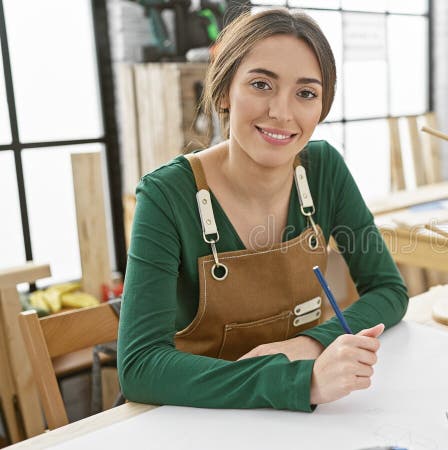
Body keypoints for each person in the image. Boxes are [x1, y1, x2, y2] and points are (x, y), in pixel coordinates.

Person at [118, 7, 408, 411]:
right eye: (261, 84)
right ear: (224, 91)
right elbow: (140, 367)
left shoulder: (324, 170)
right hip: (189, 418)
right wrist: (297, 381)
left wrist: (309, 344)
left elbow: (389, 291)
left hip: (291, 421)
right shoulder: (166, 195)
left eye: (306, 93)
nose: (282, 113)